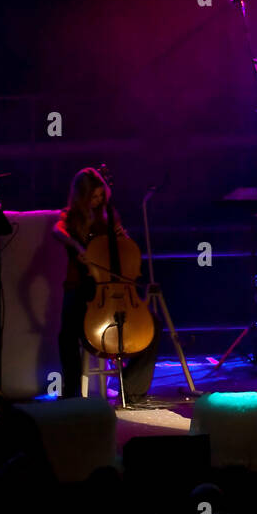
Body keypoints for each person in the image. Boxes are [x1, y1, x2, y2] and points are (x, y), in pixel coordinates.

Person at [52, 167, 160, 406]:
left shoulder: (109, 217)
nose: (98, 201)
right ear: (81, 197)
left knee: (153, 326)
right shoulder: (69, 217)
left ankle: (131, 389)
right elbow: (56, 231)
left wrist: (124, 238)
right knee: (67, 334)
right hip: (81, 288)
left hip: (114, 291)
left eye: (101, 196)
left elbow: (127, 254)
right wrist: (78, 248)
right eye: (93, 197)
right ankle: (71, 393)